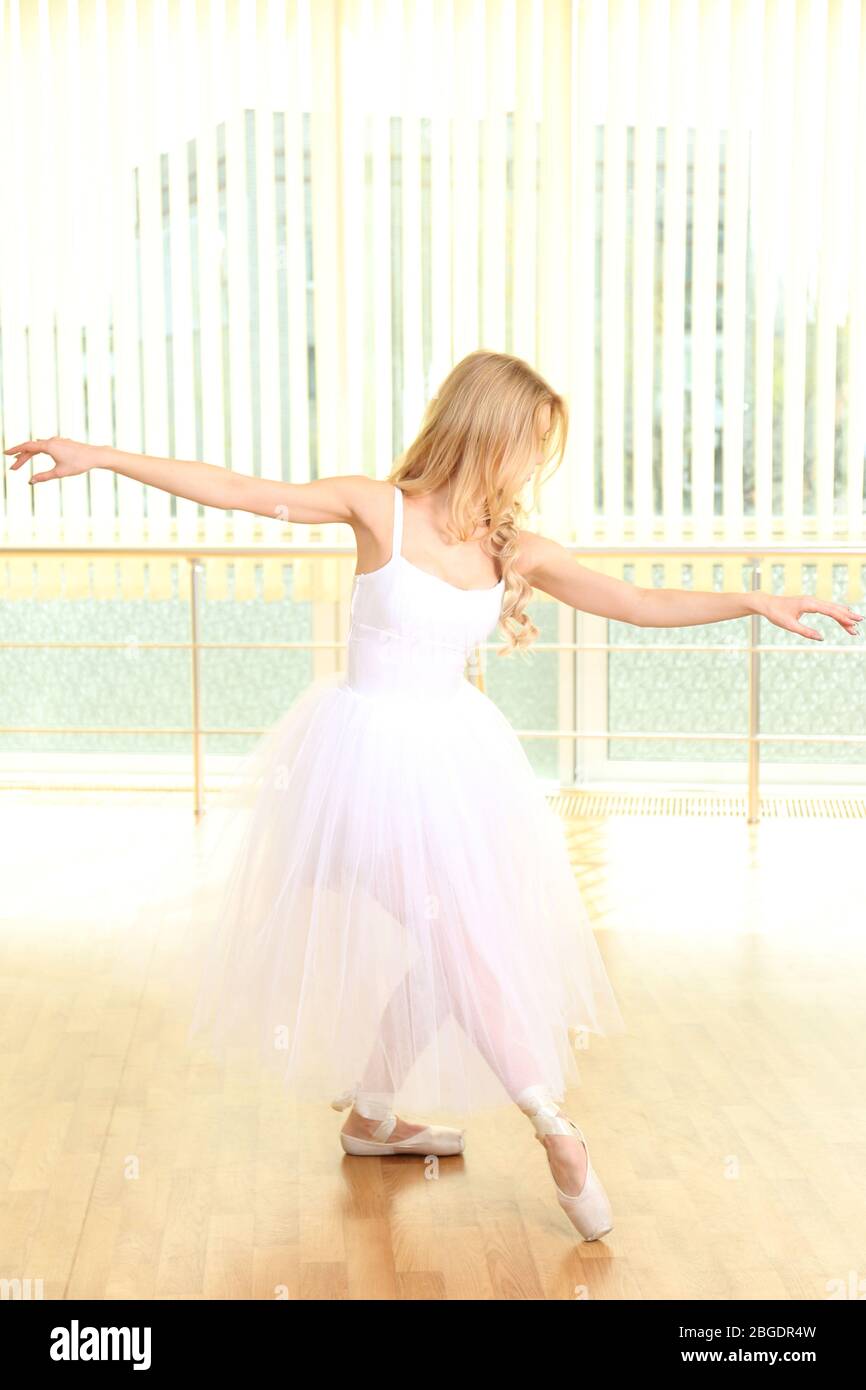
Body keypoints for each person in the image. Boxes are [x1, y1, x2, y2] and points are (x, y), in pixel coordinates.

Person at [6, 349, 860, 1242]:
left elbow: (635, 600)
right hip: (361, 770)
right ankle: (553, 1125)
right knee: (461, 937)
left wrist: (757, 601)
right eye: (529, 443)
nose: (534, 463)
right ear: (484, 431)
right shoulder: (377, 509)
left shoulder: (510, 548)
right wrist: (99, 456)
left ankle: (373, 1115)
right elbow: (237, 489)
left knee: (456, 941)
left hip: (457, 766)